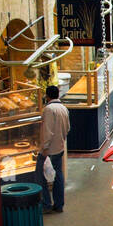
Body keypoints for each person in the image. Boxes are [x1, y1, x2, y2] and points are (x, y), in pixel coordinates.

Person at [35, 84, 69, 213]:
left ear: (47, 96)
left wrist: (44, 148)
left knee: (39, 175)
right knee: (58, 175)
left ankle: (46, 204)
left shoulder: (48, 110)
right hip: (59, 147)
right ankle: (59, 204)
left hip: (49, 150)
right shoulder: (63, 108)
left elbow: (47, 131)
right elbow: (67, 128)